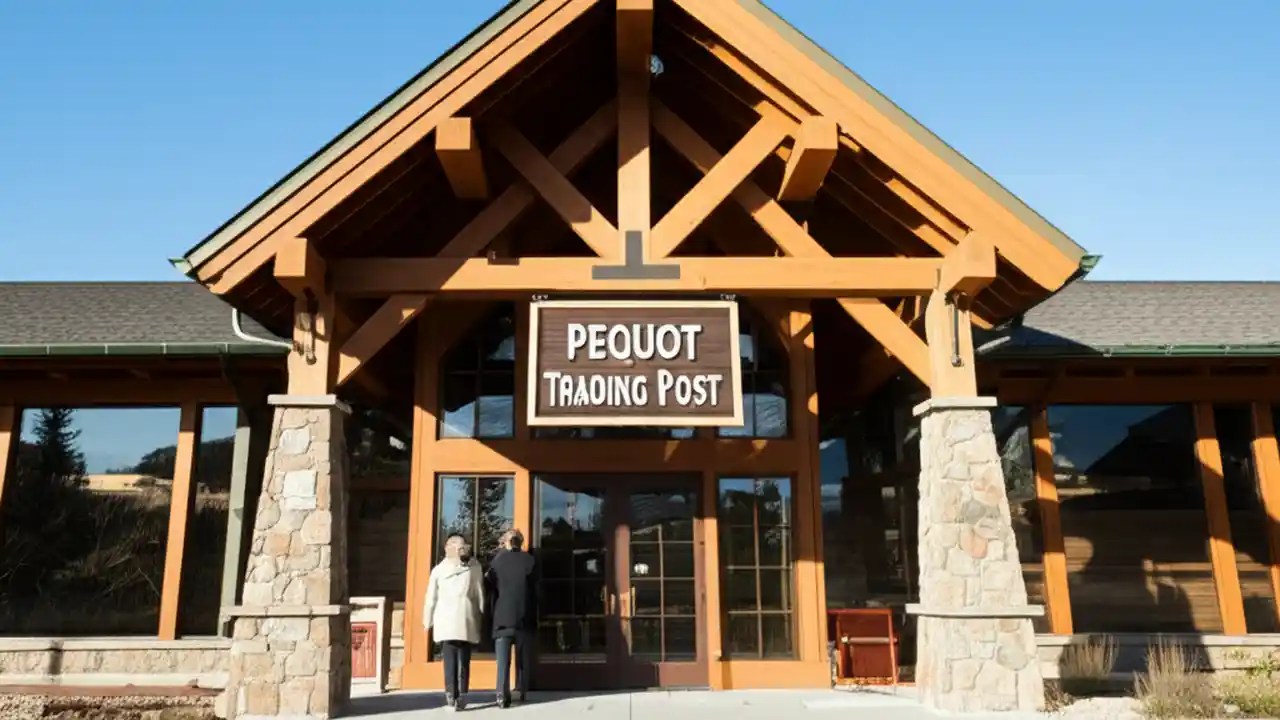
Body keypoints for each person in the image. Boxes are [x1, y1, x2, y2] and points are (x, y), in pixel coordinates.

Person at [424, 534, 484, 711]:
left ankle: (461, 693)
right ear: (447, 548)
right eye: (458, 547)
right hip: (447, 618)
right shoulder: (439, 570)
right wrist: (427, 619)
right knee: (450, 657)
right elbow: (431, 597)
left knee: (463, 658)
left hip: (465, 616)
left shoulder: (474, 567)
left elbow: (479, 592)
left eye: (463, 547)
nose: (461, 550)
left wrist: (481, 613)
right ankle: (451, 692)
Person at [485, 529, 537, 708]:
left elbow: (490, 588)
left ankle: (502, 695)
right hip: (523, 617)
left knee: (503, 661)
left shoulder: (497, 561)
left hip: (502, 618)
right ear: (520, 542)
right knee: (523, 659)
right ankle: (522, 690)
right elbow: (535, 591)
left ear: (506, 543)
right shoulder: (529, 561)